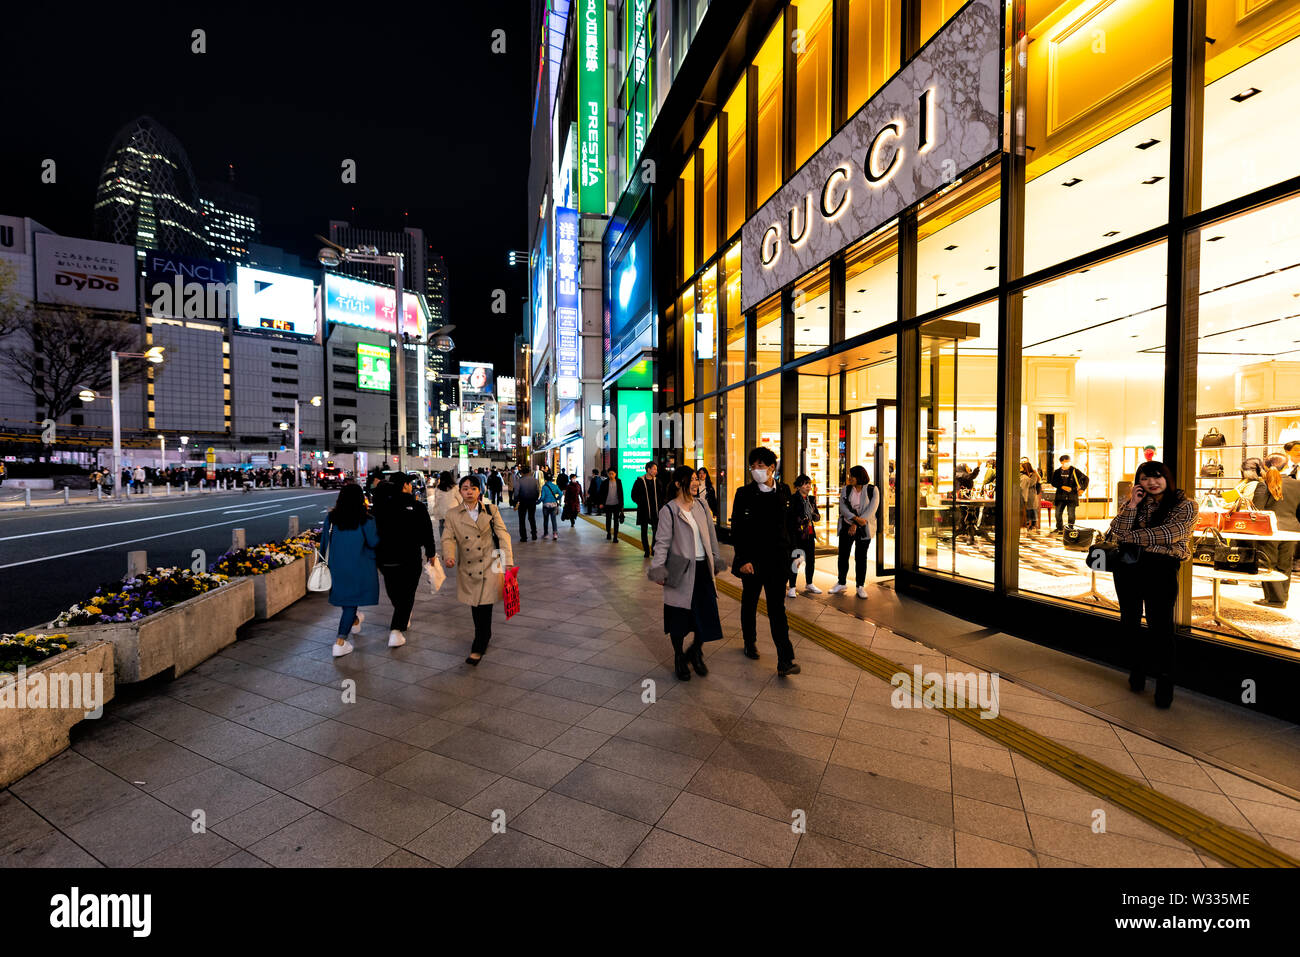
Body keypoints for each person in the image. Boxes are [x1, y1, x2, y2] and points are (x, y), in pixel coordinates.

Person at [1106, 460, 1197, 708]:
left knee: (1161, 626)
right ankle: (1137, 670)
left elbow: (1172, 534)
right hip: (1128, 568)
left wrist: (1131, 537)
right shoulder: (1135, 503)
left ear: (1167, 478)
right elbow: (1116, 530)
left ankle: (1164, 682)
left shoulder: (1185, 505)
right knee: (1130, 621)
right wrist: (1132, 505)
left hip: (1161, 568)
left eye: (1157, 477)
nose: (1152, 483)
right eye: (1145, 478)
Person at [648, 466, 725, 681]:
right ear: (677, 483)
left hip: (702, 569)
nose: (695, 483)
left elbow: (711, 534)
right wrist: (658, 569)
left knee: (707, 614)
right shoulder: (669, 510)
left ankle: (695, 651)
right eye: (690, 479)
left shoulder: (701, 505)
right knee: (680, 619)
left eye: (695, 479)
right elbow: (661, 543)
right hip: (681, 571)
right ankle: (679, 657)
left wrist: (716, 558)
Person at [730, 446, 799, 676]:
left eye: (760, 466)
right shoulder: (744, 493)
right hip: (752, 562)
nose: (756, 470)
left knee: (777, 609)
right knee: (749, 603)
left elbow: (791, 527)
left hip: (778, 562)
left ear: (772, 468)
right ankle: (749, 641)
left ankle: (785, 659)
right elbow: (737, 530)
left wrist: (795, 556)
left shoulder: (785, 492)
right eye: (753, 466)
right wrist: (742, 559)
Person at [441, 474, 514, 665]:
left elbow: (503, 535)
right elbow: (448, 537)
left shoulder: (491, 509)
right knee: (475, 603)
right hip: (468, 565)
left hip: (490, 563)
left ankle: (479, 642)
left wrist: (508, 562)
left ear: (479, 490)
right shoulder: (452, 514)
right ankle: (484, 635)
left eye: (473, 488)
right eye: (465, 488)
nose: (469, 492)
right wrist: (449, 555)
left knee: (485, 603)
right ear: (460, 491)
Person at [371, 473, 438, 648]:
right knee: (407, 593)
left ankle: (402, 615)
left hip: (386, 558)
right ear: (406, 485)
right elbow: (426, 531)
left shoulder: (381, 506)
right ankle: (396, 629)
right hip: (410, 557)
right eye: (410, 484)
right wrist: (431, 552)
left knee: (394, 591)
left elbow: (374, 531)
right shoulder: (417, 506)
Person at [322, 484, 381, 658]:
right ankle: (340, 642)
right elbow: (373, 542)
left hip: (337, 566)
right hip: (359, 565)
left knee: (346, 598)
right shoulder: (366, 519)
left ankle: (354, 620)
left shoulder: (331, 518)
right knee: (350, 603)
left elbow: (324, 543)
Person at [1252, 453, 1300, 608]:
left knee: (1268, 564)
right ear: (1287, 466)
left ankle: (1275, 599)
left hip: (1270, 529)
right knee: (1285, 564)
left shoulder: (1263, 484)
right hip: (1293, 529)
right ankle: (1282, 598)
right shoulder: (1297, 484)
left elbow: (1257, 510)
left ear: (1265, 466)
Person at [830, 465, 879, 599]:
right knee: (843, 555)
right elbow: (843, 508)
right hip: (847, 525)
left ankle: (860, 586)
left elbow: (871, 510)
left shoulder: (872, 490)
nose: (849, 478)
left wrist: (856, 524)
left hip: (864, 528)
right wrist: (854, 520)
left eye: (851, 476)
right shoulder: (846, 489)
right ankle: (841, 583)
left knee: (861, 557)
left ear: (859, 476)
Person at [787, 474, 821, 596]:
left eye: (809, 484)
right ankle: (792, 586)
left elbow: (817, 517)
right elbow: (790, 519)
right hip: (797, 534)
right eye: (806, 484)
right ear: (798, 486)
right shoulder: (793, 499)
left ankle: (809, 583)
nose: (808, 487)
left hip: (810, 534)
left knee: (810, 560)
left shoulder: (811, 499)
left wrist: (814, 515)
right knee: (796, 560)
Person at [1049, 454, 1089, 533]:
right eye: (1065, 462)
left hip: (1072, 496)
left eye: (1068, 461)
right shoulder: (1057, 472)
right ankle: (1059, 528)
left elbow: (1086, 479)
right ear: (1061, 462)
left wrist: (1082, 489)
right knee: (1058, 513)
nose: (1067, 463)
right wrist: (1061, 486)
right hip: (1060, 496)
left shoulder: (1075, 471)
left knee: (1071, 514)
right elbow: (1053, 482)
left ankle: (1070, 528)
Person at [631, 461, 662, 558]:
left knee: (656, 531)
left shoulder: (657, 481)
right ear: (648, 469)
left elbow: (662, 495)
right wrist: (641, 503)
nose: (656, 471)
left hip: (655, 511)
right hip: (644, 511)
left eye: (656, 469)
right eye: (654, 469)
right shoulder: (640, 481)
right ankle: (646, 550)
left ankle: (653, 549)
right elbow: (633, 495)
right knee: (643, 531)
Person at [598, 467, 624, 541]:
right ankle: (608, 532)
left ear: (615, 474)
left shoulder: (619, 481)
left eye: (612, 474)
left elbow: (621, 494)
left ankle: (615, 536)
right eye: (609, 474)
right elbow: (601, 494)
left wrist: (622, 505)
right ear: (608, 474)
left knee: (616, 521)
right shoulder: (605, 482)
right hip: (608, 504)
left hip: (616, 505)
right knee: (608, 520)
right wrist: (601, 503)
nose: (611, 475)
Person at [514, 465, 539, 541]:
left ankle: (523, 537)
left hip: (522, 501)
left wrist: (516, 501)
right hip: (532, 501)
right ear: (529, 472)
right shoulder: (535, 480)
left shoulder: (519, 480)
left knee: (522, 519)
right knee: (532, 518)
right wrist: (535, 498)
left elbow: (516, 492)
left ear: (522, 473)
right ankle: (534, 534)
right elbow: (538, 491)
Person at [1019, 459, 1042, 533]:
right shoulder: (1024, 475)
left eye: (1022, 467)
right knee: (1027, 509)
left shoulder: (1033, 475)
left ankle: (1033, 525)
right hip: (1025, 494)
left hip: (1031, 494)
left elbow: (1031, 483)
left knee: (1032, 509)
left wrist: (1025, 479)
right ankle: (1027, 524)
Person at [540, 471, 562, 540]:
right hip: (554, 505)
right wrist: (557, 499)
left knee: (546, 520)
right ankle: (555, 534)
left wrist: (539, 501)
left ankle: (546, 534)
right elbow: (560, 494)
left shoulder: (544, 487)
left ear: (545, 479)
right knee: (554, 520)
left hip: (546, 505)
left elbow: (542, 497)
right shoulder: (555, 486)